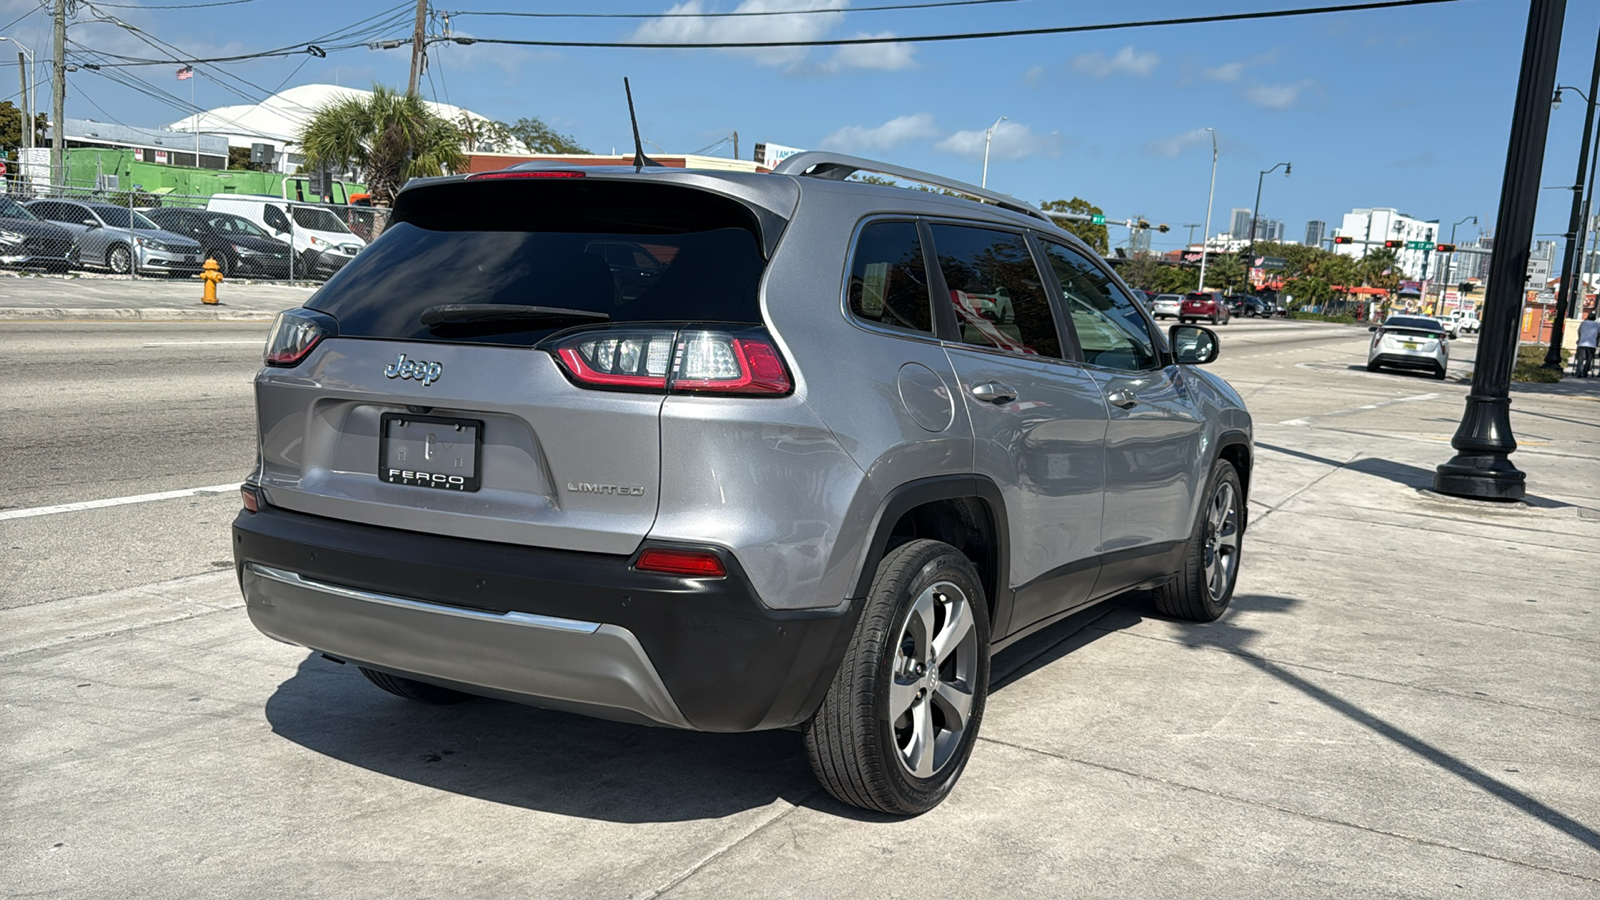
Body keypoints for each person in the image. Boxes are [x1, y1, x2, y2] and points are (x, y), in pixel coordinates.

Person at [1577, 312, 1599, 378]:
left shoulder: (1583, 323)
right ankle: (1585, 372)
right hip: (1592, 344)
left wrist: (1579, 339)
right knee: (1589, 359)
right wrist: (1596, 340)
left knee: (1580, 359)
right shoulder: (1597, 324)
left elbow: (1579, 332)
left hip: (1582, 343)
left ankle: (1579, 372)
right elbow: (1599, 334)